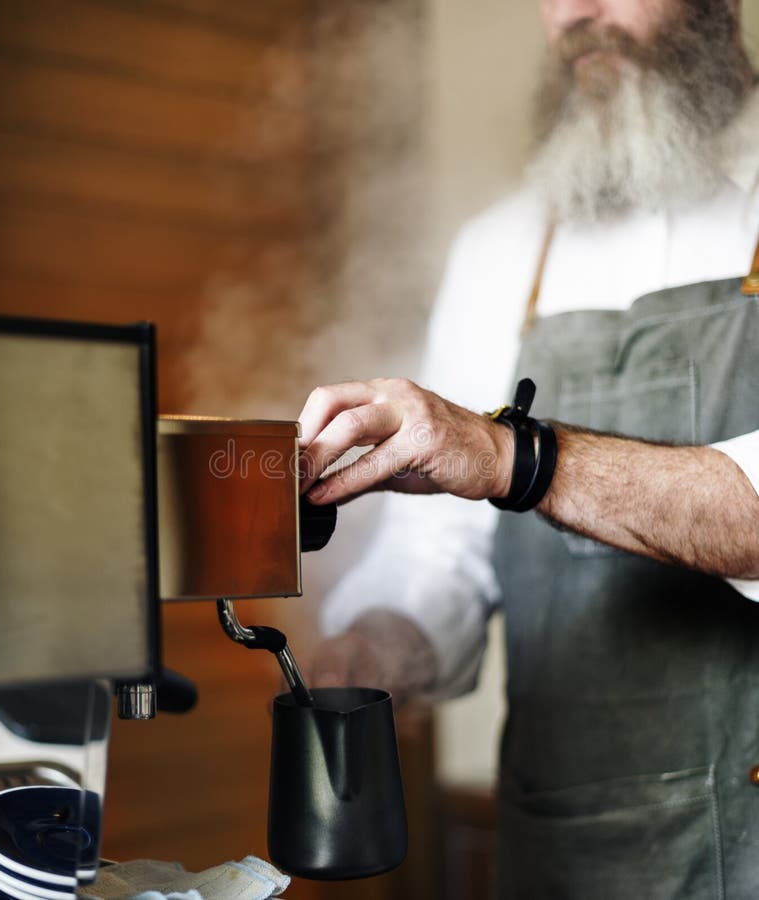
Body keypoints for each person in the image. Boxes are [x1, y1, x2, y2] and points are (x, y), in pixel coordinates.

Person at [297, 0, 759, 896]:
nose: (576, 15)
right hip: (569, 847)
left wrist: (518, 457)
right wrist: (381, 646)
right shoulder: (502, 250)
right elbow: (444, 554)